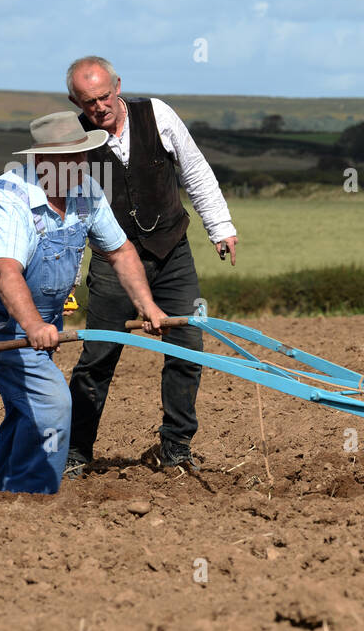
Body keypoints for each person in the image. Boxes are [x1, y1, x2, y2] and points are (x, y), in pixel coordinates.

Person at [0, 112, 167, 494]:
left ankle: (10, 487)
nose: (81, 166)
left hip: (42, 313)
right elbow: (5, 272)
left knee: (29, 401)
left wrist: (147, 305)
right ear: (42, 161)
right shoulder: (8, 201)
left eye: (82, 156)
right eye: (71, 159)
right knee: (51, 402)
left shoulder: (86, 191)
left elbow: (119, 251)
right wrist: (34, 326)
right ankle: (33, 494)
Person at [64, 56, 238, 476]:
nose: (99, 107)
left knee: (187, 348)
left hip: (172, 252)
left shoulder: (156, 114)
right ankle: (74, 453)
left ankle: (175, 447)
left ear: (118, 86)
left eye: (105, 96)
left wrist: (220, 227)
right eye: (88, 102)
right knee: (98, 358)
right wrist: (66, 282)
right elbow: (67, 214)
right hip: (112, 262)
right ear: (75, 101)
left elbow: (195, 169)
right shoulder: (71, 139)